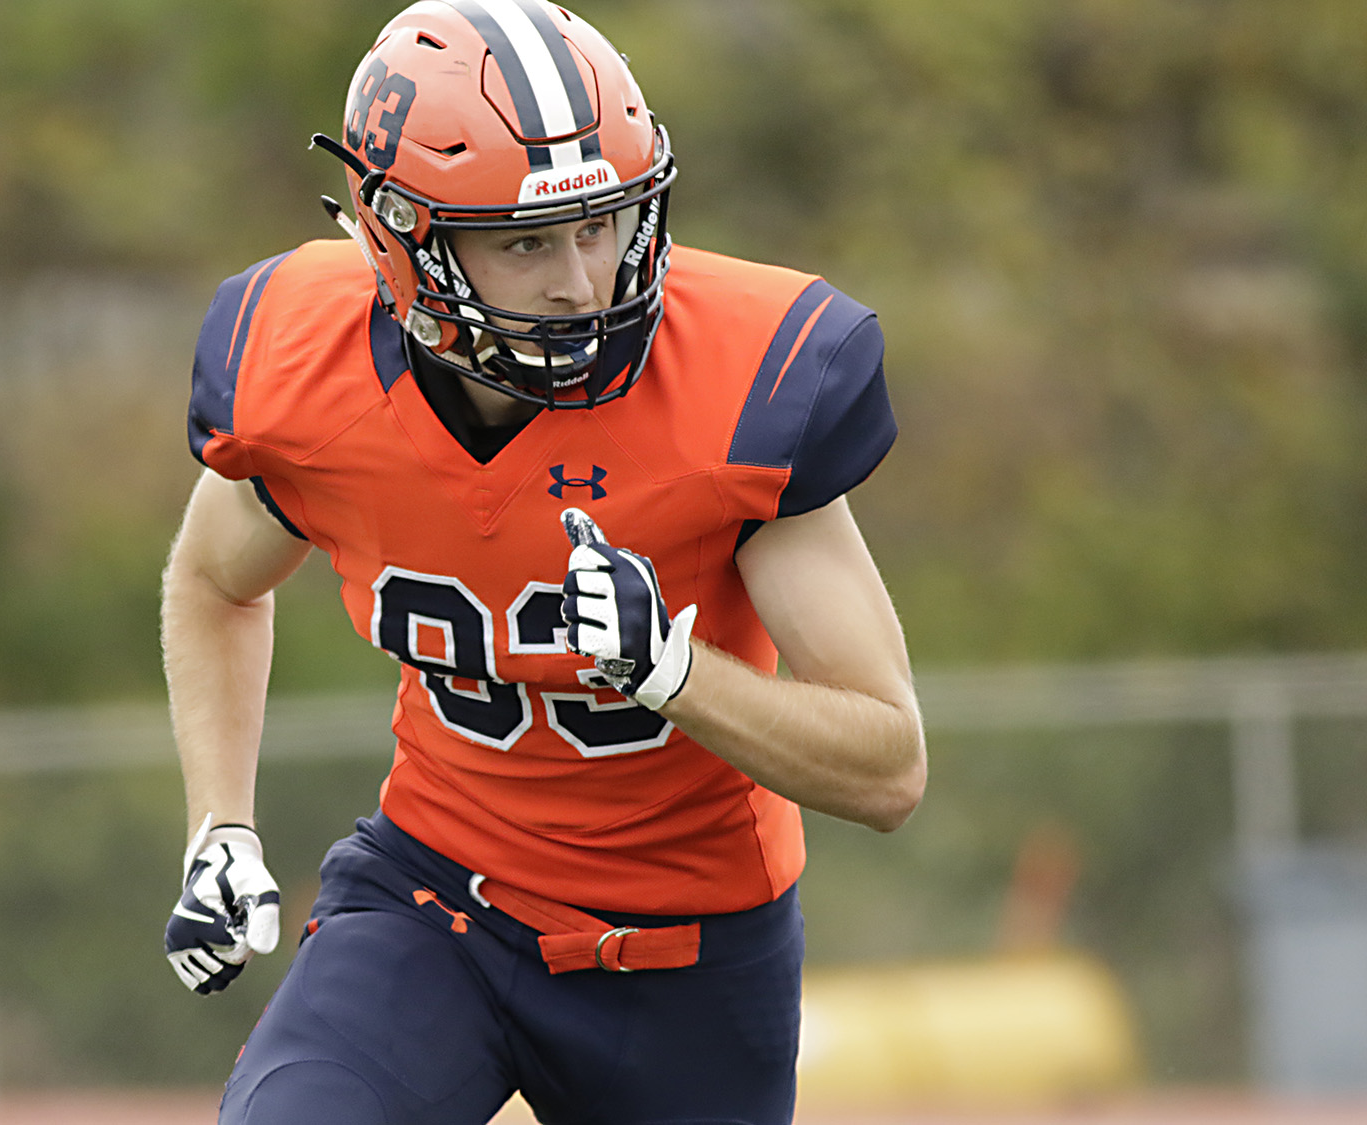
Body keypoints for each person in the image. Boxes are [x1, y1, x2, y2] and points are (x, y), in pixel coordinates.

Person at [161, 2, 926, 1122]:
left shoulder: (740, 383)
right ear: (398, 241)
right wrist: (219, 823)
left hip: (688, 956)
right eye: (525, 242)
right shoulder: (309, 367)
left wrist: (675, 672)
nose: (582, 281)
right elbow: (211, 582)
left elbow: (888, 765)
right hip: (434, 905)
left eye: (602, 225)